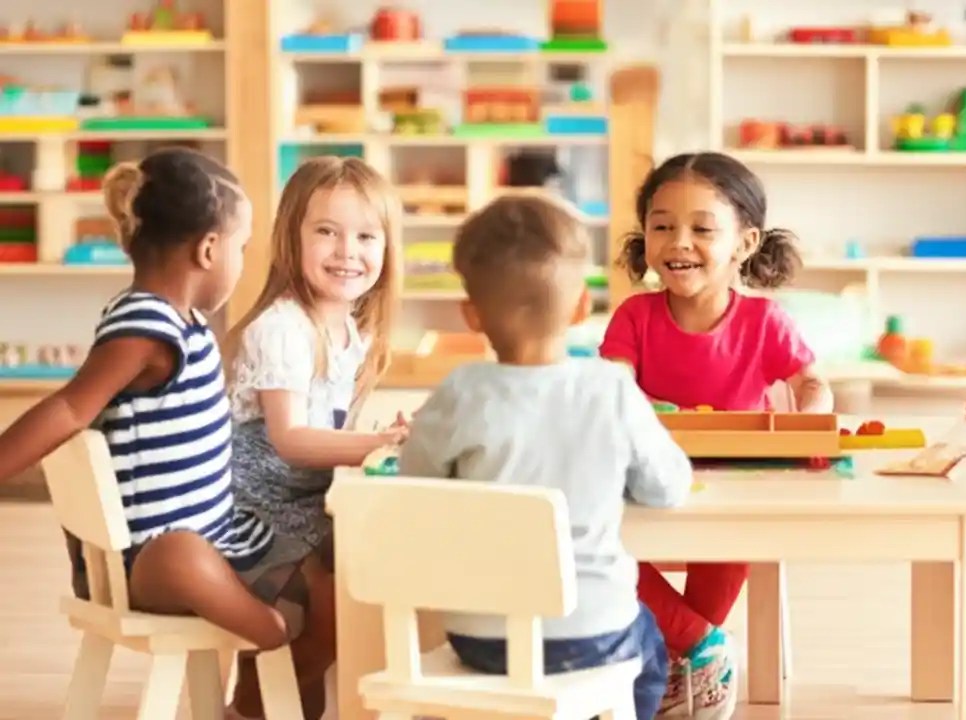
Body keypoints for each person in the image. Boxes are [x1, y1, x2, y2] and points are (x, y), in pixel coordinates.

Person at [0, 149, 335, 719]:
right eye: (241, 247)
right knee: (181, 555)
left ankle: (255, 703)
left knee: (330, 573)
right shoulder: (146, 326)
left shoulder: (182, 322)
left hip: (218, 535)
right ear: (208, 249)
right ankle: (259, 629)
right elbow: (68, 409)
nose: (240, 261)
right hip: (151, 557)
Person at [399, 194, 693, 720]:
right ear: (583, 307)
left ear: (471, 316)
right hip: (592, 630)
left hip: (480, 634)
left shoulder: (460, 392)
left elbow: (415, 483)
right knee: (650, 656)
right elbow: (667, 488)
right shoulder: (612, 387)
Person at [599, 151, 833, 716]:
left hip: (736, 485)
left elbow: (813, 383)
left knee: (737, 537)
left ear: (745, 243)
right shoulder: (634, 316)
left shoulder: (763, 321)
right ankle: (698, 642)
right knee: (593, 542)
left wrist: (809, 419)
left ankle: (685, 657)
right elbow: (613, 389)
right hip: (646, 486)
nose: (679, 242)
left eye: (702, 228)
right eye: (662, 226)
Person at [223, 156, 406, 564]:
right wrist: (378, 443)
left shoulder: (354, 334)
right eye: (326, 231)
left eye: (365, 237)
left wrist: (379, 439)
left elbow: (329, 436)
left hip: (301, 497)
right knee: (381, 549)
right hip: (253, 516)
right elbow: (291, 439)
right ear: (293, 237)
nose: (347, 252)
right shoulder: (282, 328)